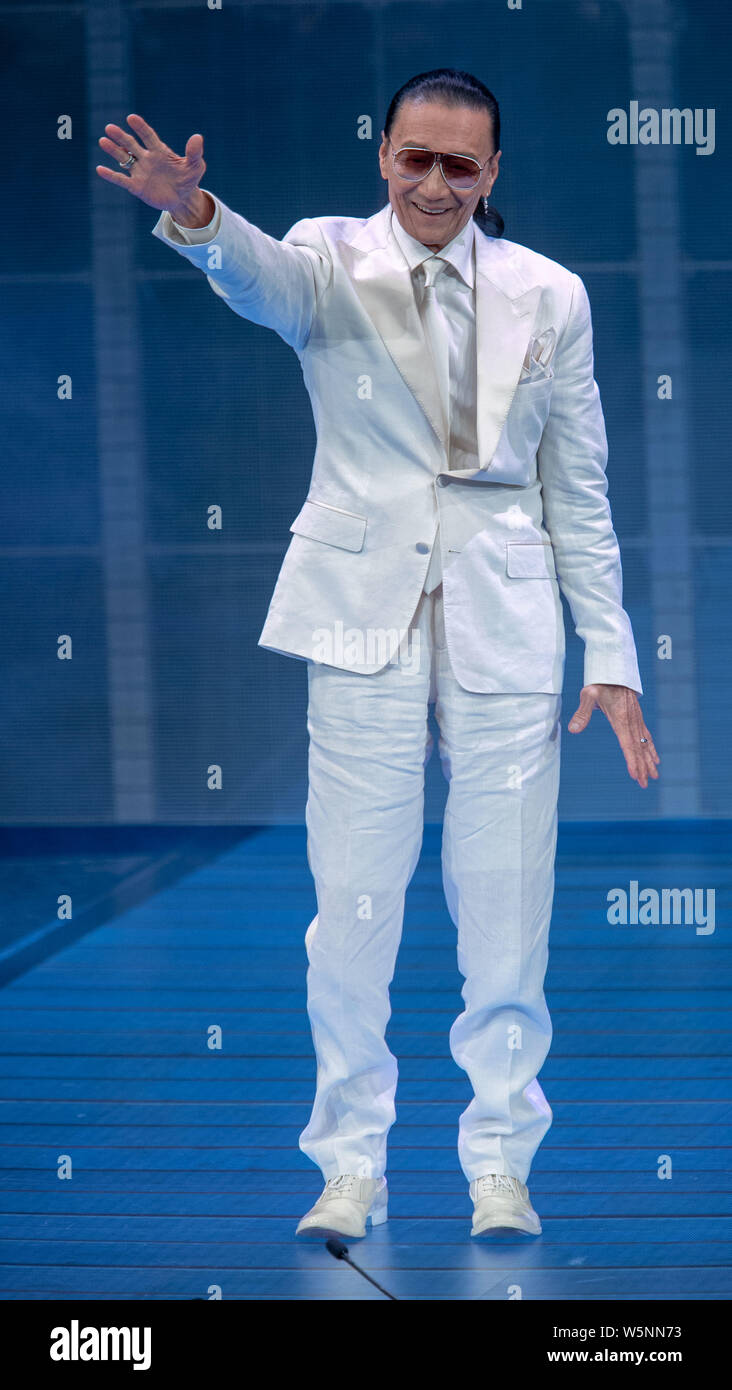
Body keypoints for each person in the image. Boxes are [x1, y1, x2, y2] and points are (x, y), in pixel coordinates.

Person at [96, 67, 659, 1243]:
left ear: (494, 171)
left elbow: (584, 488)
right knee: (351, 906)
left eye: (463, 164)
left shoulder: (551, 295)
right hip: (361, 614)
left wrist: (612, 651)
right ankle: (349, 1161)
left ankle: (501, 1160)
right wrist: (197, 216)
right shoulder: (327, 259)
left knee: (507, 905)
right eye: (417, 158)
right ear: (384, 157)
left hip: (505, 618)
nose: (437, 182)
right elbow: (254, 273)